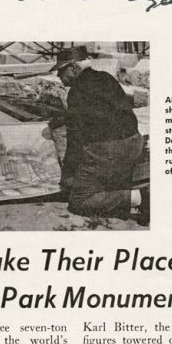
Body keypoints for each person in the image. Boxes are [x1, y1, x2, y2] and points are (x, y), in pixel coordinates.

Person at [48, 57, 149, 225]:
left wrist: (69, 172)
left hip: (111, 150)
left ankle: (140, 197)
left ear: (73, 68)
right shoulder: (106, 77)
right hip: (134, 142)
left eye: (61, 72)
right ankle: (123, 197)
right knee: (106, 184)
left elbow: (75, 139)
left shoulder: (76, 92)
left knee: (79, 200)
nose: (59, 77)